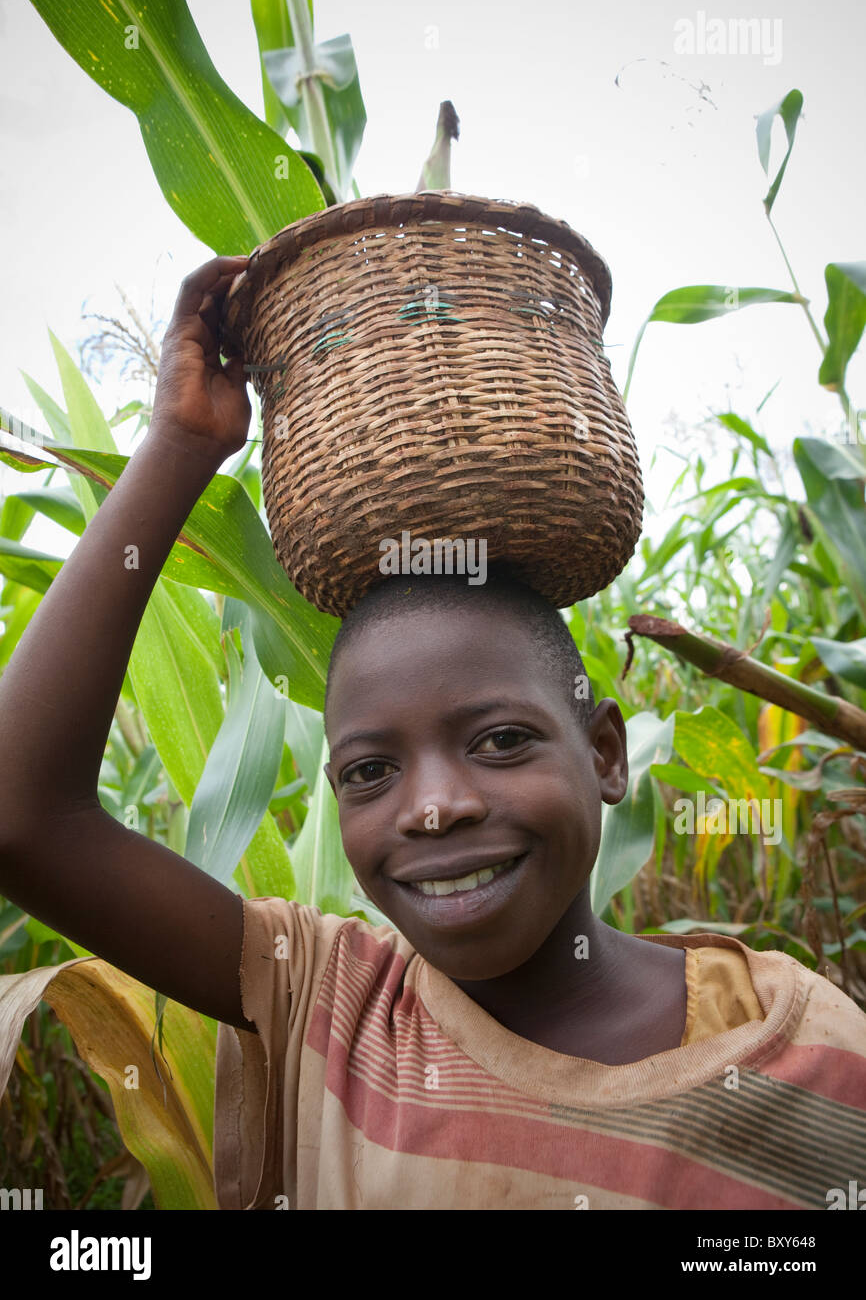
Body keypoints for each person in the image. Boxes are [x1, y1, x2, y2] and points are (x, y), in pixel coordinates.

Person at [0, 258, 864, 1212]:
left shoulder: (799, 1046)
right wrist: (179, 445)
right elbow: (20, 815)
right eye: (370, 770)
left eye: (498, 742)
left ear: (607, 754)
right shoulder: (324, 1001)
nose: (436, 806)